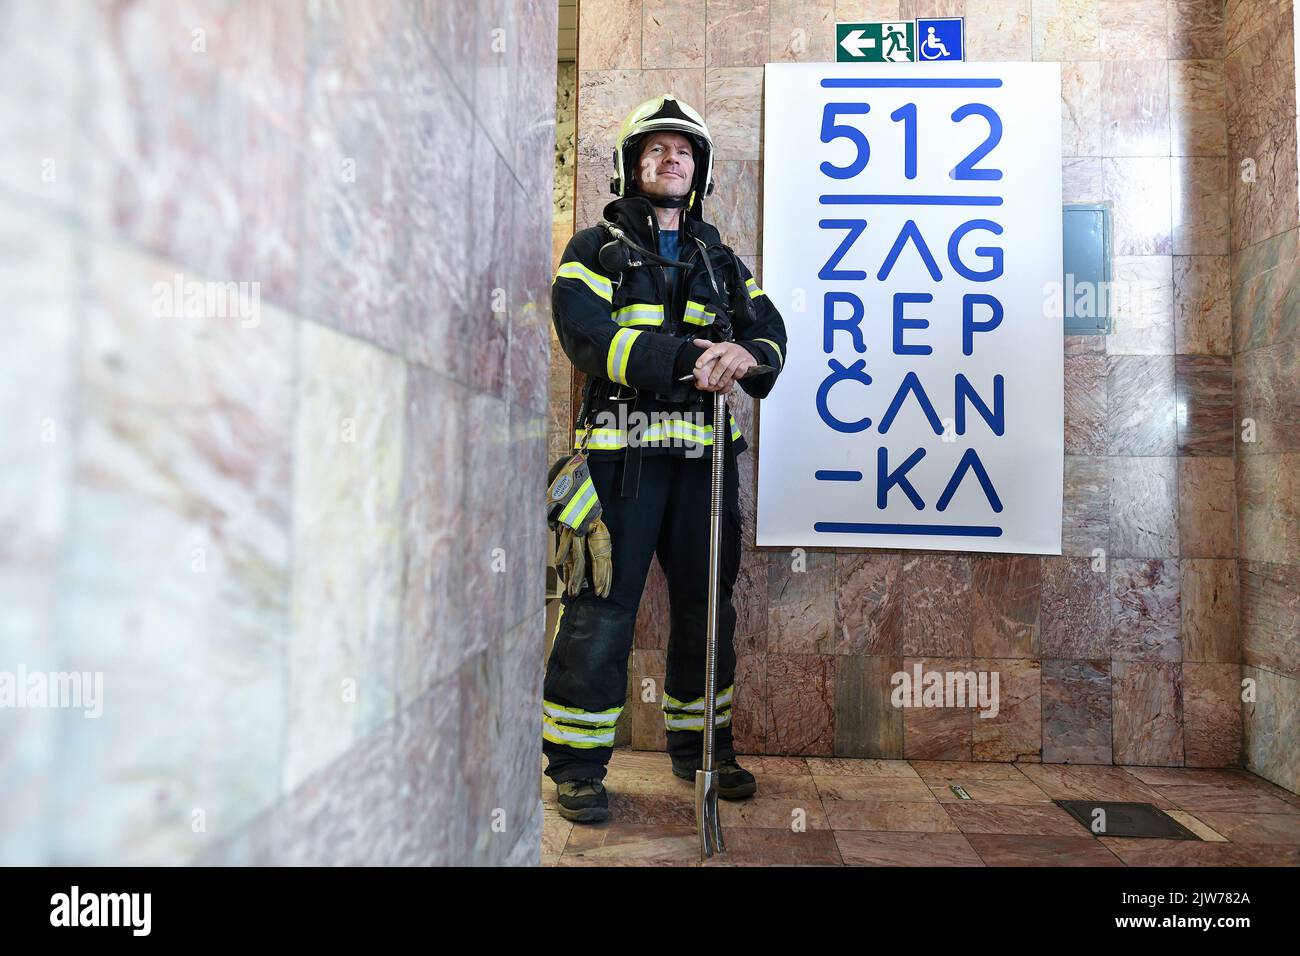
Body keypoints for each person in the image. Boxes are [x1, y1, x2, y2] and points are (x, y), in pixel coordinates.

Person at [544, 94, 788, 823]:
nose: (670, 158)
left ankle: (704, 749)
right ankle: (578, 766)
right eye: (655, 149)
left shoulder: (722, 259)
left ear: (700, 168)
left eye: (683, 149)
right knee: (600, 609)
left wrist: (747, 352)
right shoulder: (593, 249)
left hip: (704, 468)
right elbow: (588, 336)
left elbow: (768, 332)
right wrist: (688, 359)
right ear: (630, 166)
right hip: (620, 465)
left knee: (706, 609)